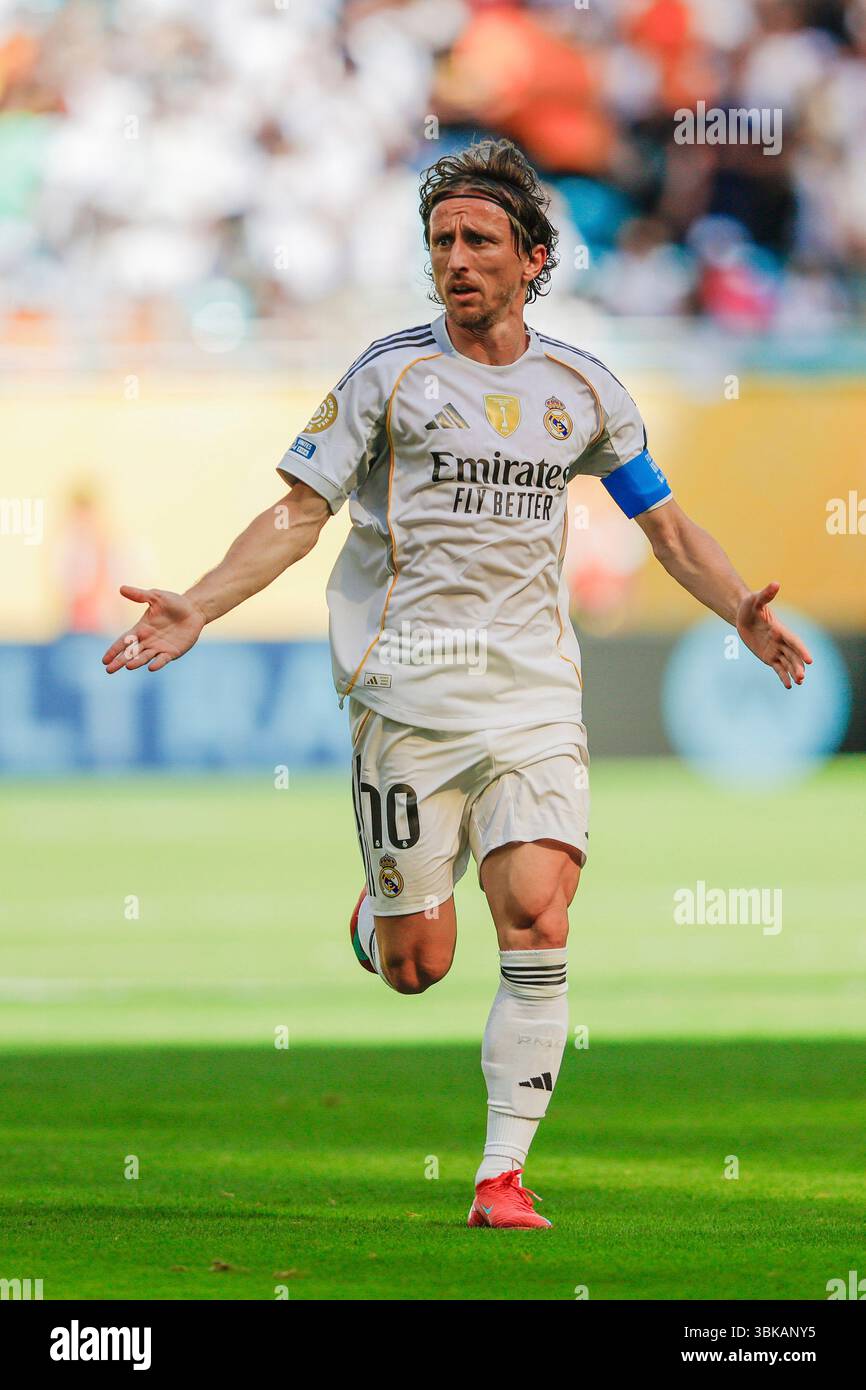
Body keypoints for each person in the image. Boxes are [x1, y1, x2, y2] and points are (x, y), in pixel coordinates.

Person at [102, 139, 811, 1229]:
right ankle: (389, 908)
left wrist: (738, 612)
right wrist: (201, 599)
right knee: (416, 968)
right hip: (405, 699)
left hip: (529, 695)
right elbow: (300, 512)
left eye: (479, 240)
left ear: (533, 258)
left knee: (535, 914)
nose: (455, 259)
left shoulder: (582, 389)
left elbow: (661, 524)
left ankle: (498, 1176)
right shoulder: (388, 374)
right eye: (440, 241)